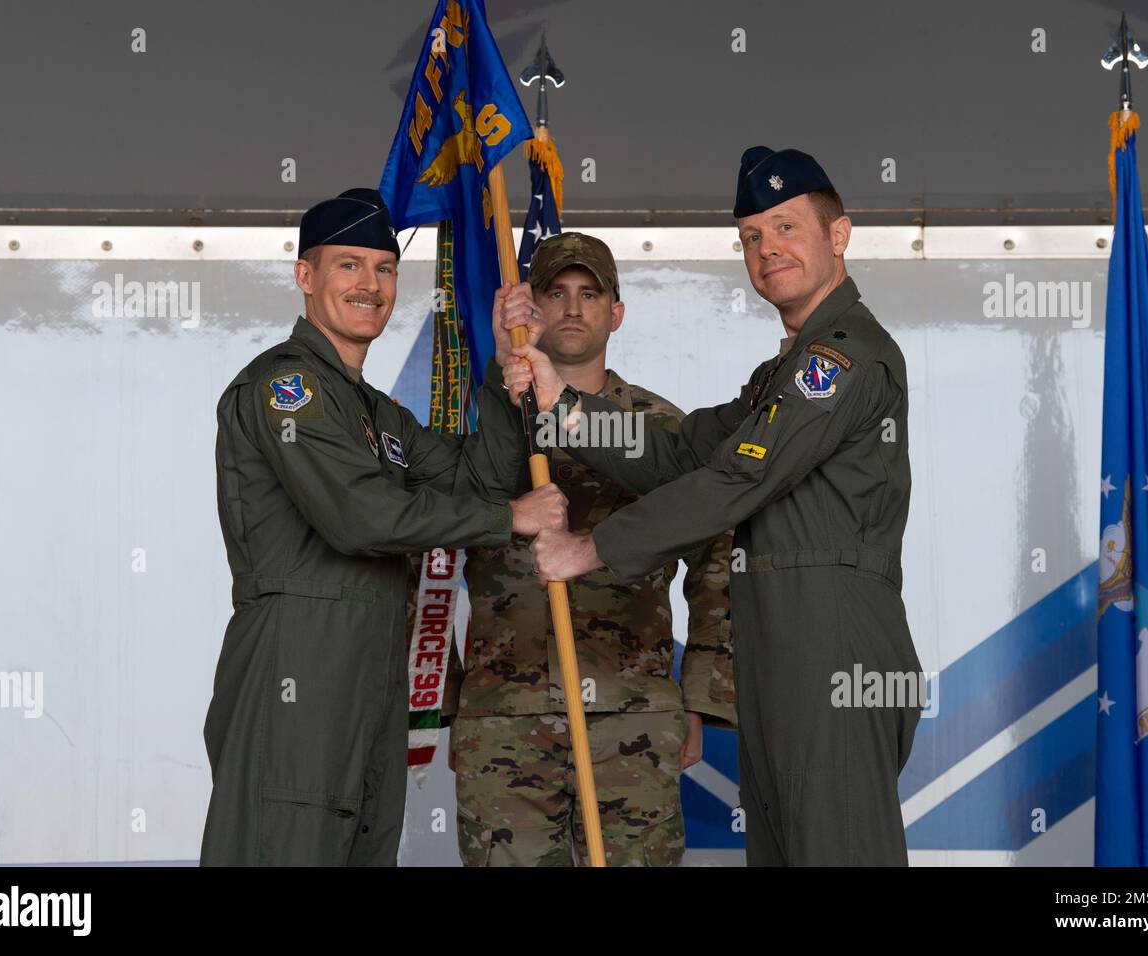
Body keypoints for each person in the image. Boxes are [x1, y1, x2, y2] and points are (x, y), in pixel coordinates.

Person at [505, 149, 924, 866]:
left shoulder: (845, 358)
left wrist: (592, 547)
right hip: (780, 638)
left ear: (840, 234)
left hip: (832, 642)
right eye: (752, 238)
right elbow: (679, 451)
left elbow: (736, 477)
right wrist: (563, 406)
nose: (768, 250)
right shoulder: (780, 374)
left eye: (787, 228)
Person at [200, 187, 566, 866]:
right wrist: (508, 518)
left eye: (385, 268)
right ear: (305, 275)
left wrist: (500, 374)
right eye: (348, 265)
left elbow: (473, 480)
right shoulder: (289, 388)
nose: (370, 285)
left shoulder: (373, 412)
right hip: (298, 666)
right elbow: (359, 517)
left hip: (369, 672)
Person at [443, 232, 735, 866]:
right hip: (504, 717)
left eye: (590, 294)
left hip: (630, 712)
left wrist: (697, 698)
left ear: (616, 313)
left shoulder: (661, 428)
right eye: (554, 293)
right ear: (530, 309)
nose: (572, 309)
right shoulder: (488, 420)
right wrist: (450, 698)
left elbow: (716, 563)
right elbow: (436, 542)